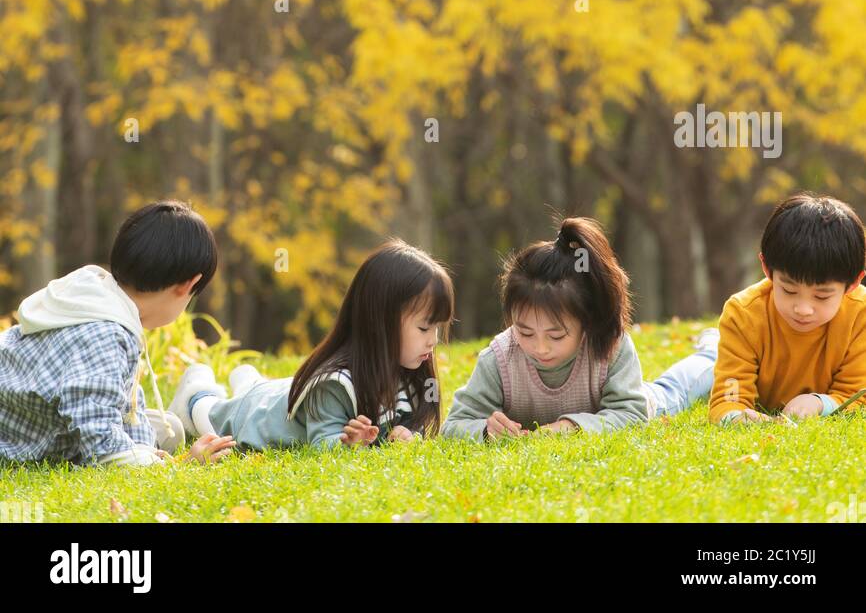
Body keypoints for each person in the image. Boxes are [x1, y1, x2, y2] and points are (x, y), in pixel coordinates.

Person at [442, 215, 719, 439]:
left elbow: (631, 415)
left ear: (586, 321)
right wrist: (484, 431)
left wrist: (570, 427)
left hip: (644, 399)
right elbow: (454, 424)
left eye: (556, 334)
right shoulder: (499, 359)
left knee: (675, 389)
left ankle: (712, 352)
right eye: (525, 332)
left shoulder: (611, 344)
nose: (540, 347)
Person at [0, 199, 232, 465]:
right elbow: (100, 443)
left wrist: (145, 448)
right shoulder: (104, 336)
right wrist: (179, 466)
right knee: (148, 440)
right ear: (188, 285)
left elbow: (125, 407)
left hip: (37, 410)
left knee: (170, 429)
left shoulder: (102, 300)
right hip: (15, 437)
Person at [170, 239, 455, 449]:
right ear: (380, 321)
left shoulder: (408, 372)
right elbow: (323, 445)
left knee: (260, 391)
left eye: (437, 328)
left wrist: (406, 437)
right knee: (209, 410)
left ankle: (247, 379)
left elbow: (405, 423)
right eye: (423, 328)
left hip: (280, 395)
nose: (433, 340)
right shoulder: (334, 385)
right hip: (251, 416)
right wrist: (350, 445)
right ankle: (196, 389)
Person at [709, 192, 866, 423]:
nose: (803, 309)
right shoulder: (743, 314)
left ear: (853, 283)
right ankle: (707, 348)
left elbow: (858, 396)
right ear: (767, 268)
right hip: (725, 358)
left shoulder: (860, 316)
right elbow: (728, 398)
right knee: (701, 374)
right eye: (789, 291)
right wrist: (735, 417)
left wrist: (820, 403)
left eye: (821, 296)